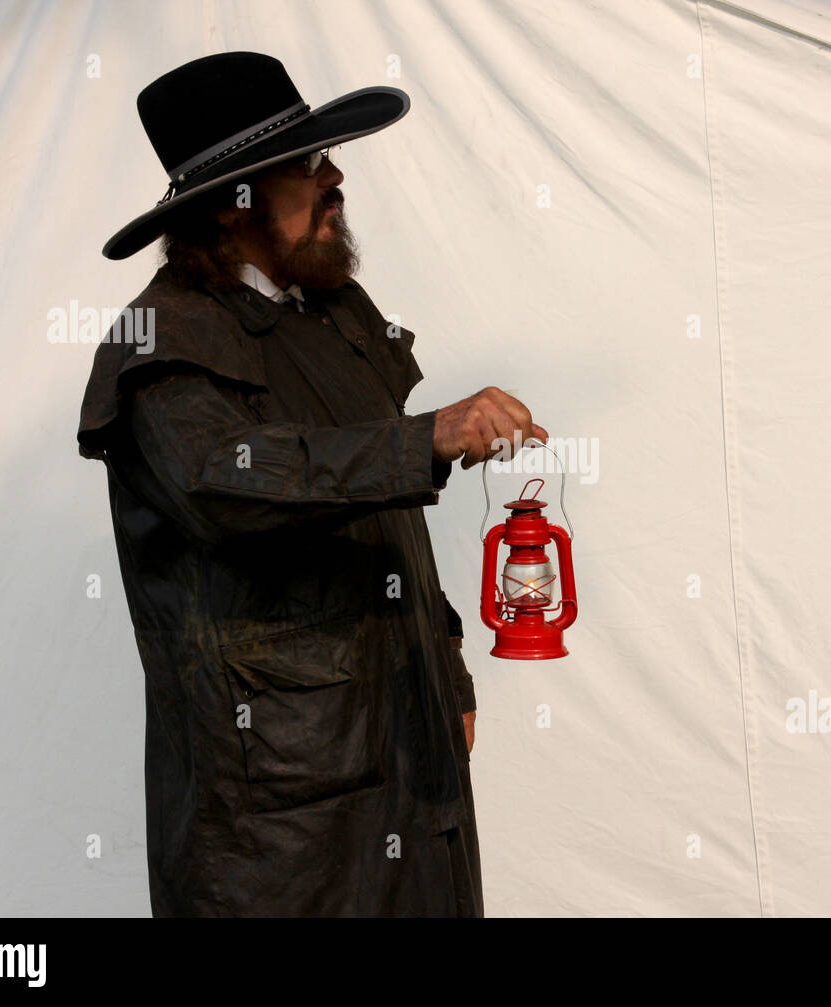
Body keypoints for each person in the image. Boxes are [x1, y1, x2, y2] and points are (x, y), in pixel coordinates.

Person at [77, 51, 546, 916]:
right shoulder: (162, 340)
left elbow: (381, 519)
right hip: (279, 823)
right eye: (307, 165)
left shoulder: (334, 311)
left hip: (412, 756)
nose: (335, 178)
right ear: (234, 202)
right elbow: (229, 485)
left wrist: (447, 668)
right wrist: (428, 438)